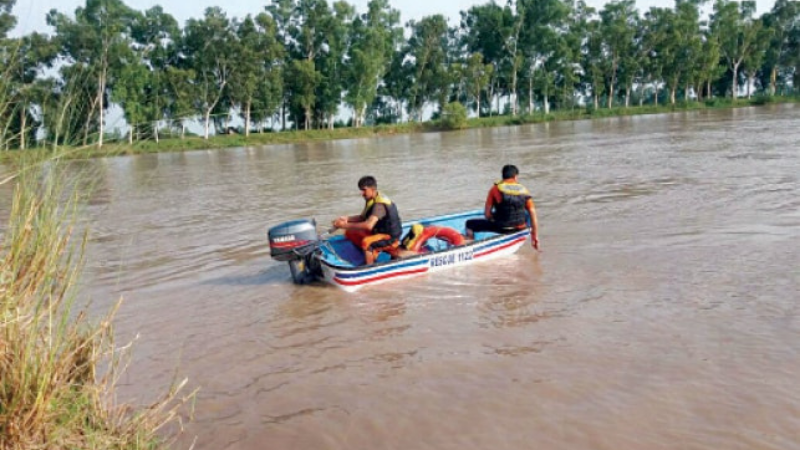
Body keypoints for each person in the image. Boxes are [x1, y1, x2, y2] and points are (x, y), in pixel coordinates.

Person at [465, 164, 540, 250]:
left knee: (469, 223)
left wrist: (494, 218)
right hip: (519, 228)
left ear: (503, 176)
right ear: (515, 177)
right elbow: (533, 214)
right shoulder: (524, 190)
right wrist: (534, 236)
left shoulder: (494, 189)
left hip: (501, 228)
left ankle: (470, 244)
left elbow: (487, 214)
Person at [332, 175, 403, 265]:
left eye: (364, 190)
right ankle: (369, 253)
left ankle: (370, 266)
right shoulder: (372, 198)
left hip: (390, 237)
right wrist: (347, 219)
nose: (362, 193)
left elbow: (368, 225)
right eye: (361, 190)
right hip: (379, 232)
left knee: (367, 243)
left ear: (372, 189)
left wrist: (343, 225)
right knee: (350, 232)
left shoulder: (379, 205)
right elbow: (362, 218)